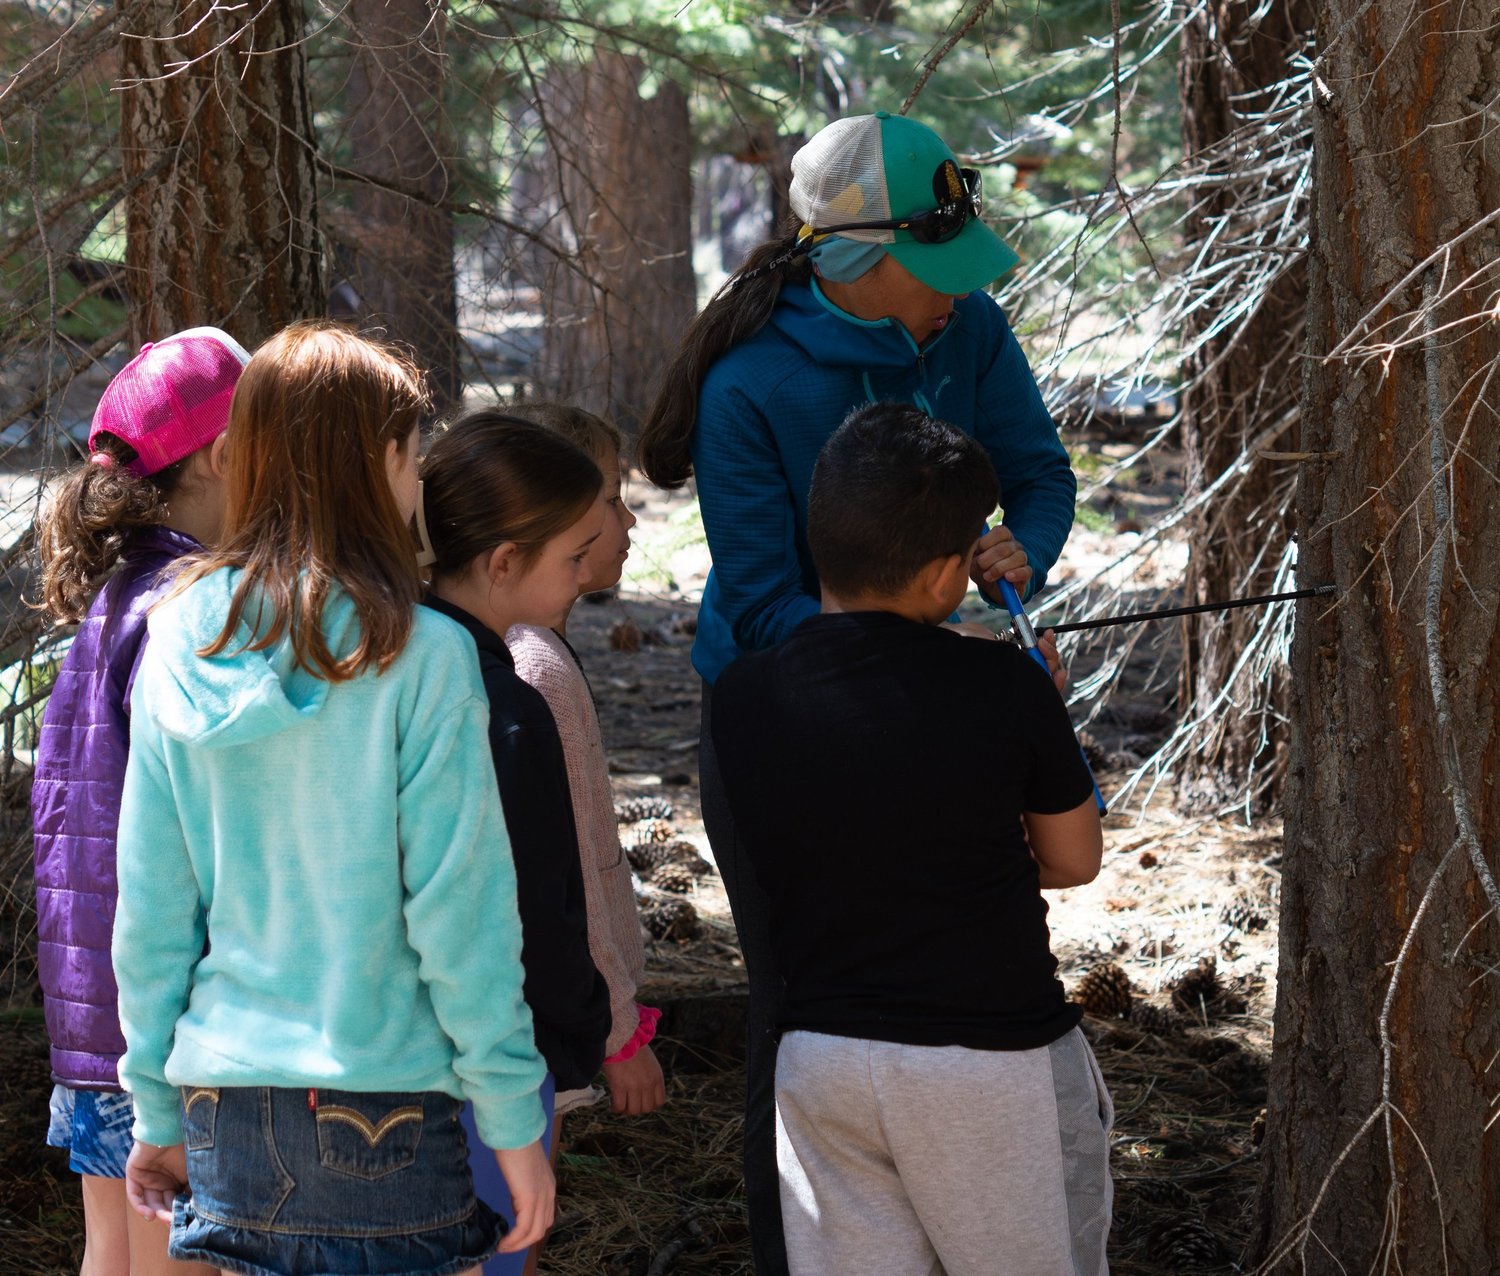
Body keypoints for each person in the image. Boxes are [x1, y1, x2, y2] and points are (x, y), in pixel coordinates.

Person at [637, 109, 1078, 1272]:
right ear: (860, 262)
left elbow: (1035, 470)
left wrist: (1019, 553)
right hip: (778, 713)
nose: (956, 294)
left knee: (956, 943)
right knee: (804, 999)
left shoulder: (970, 332)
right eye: (934, 274)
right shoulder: (753, 384)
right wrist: (941, 657)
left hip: (938, 677)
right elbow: (766, 593)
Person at [111, 322, 554, 1275]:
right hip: (382, 1113)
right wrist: (515, 1115)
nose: (421, 480)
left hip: (222, 1111)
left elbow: (149, 908)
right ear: (379, 461)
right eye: (414, 455)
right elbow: (460, 911)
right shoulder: (425, 655)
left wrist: (154, 1103)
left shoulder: (177, 639)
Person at [710, 402, 1111, 1275]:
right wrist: (1040, 711)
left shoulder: (741, 694)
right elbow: (1075, 857)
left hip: (820, 1064)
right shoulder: (1006, 686)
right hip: (990, 1062)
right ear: (945, 575)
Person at [32, 327, 249, 1276]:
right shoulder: (192, 606)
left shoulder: (113, 598)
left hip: (88, 1029)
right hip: (163, 1036)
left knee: (111, 1258)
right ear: (223, 456)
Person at [418, 410, 614, 1276]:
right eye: (573, 557)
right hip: (495, 1063)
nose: (583, 576)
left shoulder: (388, 671)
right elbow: (537, 904)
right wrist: (578, 1036)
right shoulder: (504, 710)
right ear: (503, 563)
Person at [505, 404, 667, 1134]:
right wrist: (618, 1029)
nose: (628, 522)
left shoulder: (530, 651)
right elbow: (568, 865)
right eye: (609, 498)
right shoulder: (536, 669)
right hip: (545, 1021)